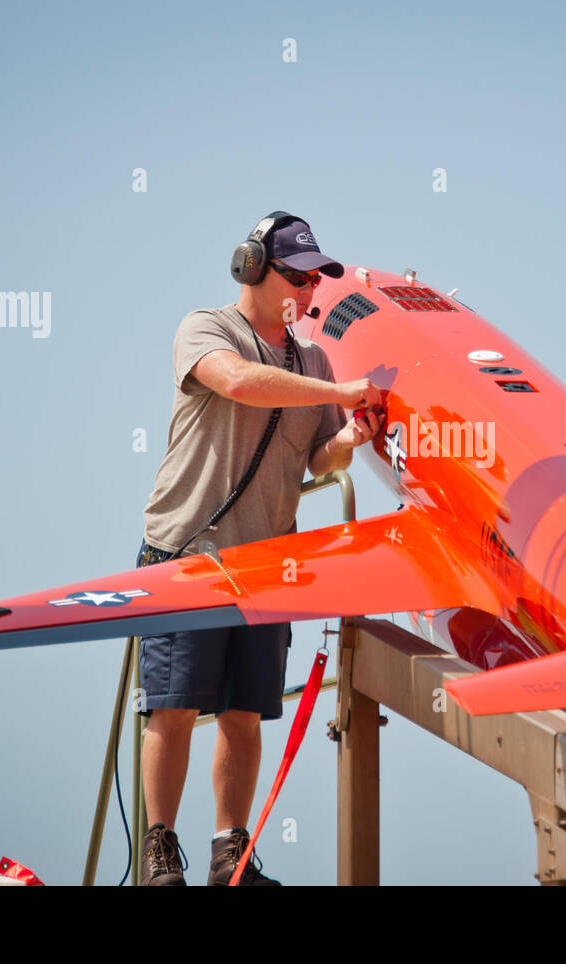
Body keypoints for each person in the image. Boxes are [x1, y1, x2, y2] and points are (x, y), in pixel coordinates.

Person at [135, 212, 383, 885]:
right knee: (174, 707)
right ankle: (158, 847)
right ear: (252, 269)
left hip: (266, 561)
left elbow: (320, 459)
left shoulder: (315, 361)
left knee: (245, 714)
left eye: (314, 278)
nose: (307, 291)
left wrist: (353, 437)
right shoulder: (205, 329)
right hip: (189, 552)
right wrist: (339, 392)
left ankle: (228, 853)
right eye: (296, 275)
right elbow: (241, 382)